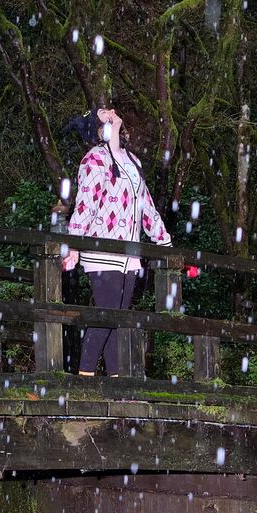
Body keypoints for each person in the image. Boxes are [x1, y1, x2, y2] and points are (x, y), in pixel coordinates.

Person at [62, 105, 172, 377]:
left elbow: (146, 207)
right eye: (103, 113)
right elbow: (85, 205)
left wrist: (164, 243)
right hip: (103, 251)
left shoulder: (133, 161)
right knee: (106, 318)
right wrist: (73, 243)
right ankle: (85, 381)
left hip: (129, 255)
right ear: (97, 129)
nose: (111, 112)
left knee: (117, 322)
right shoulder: (94, 159)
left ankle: (117, 386)